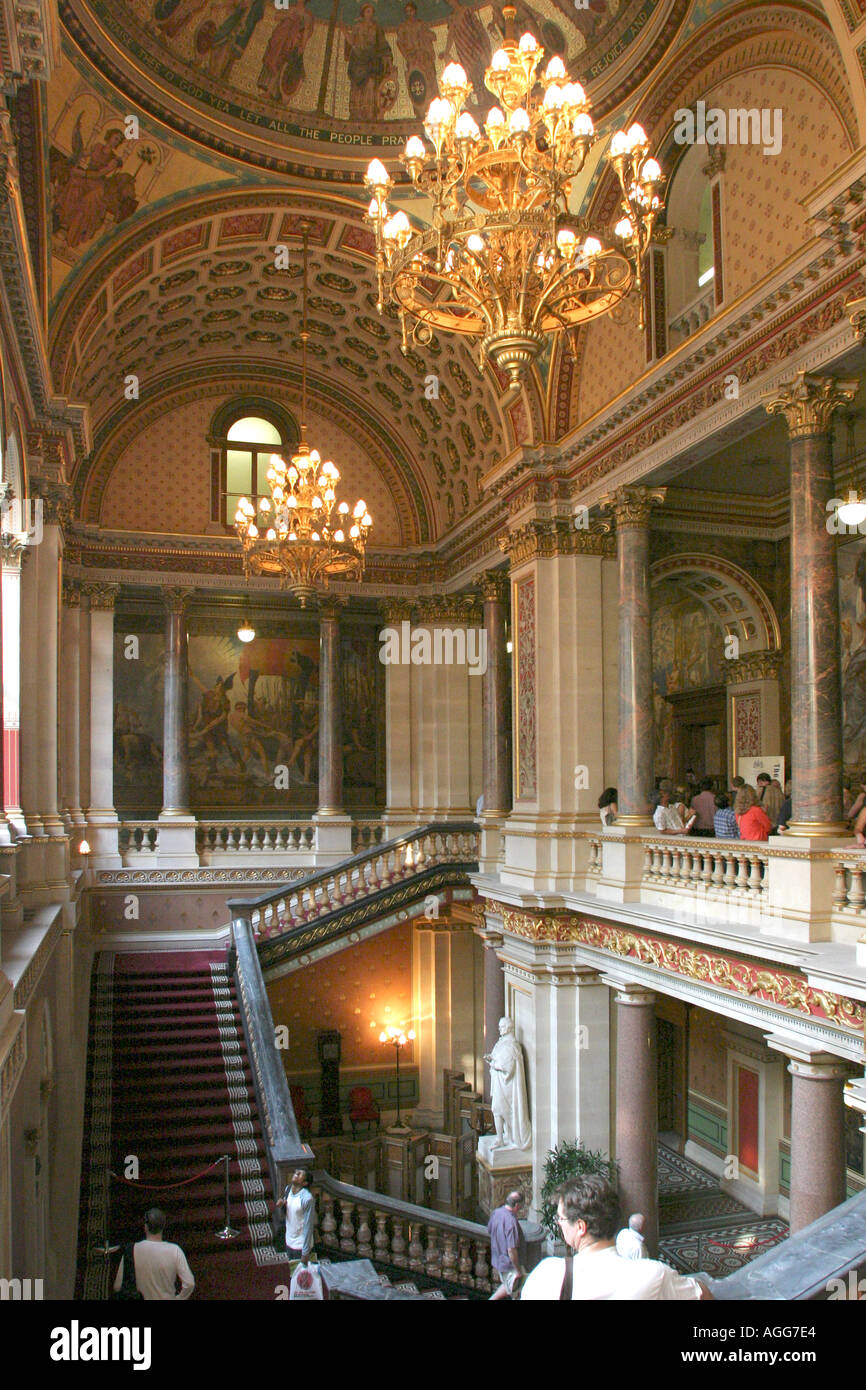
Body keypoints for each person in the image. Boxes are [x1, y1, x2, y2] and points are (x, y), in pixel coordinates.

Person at [521, 1175, 711, 1301]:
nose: (559, 1223)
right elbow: (703, 1294)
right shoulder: (654, 1275)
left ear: (580, 1227)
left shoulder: (548, 1275)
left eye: (560, 1218)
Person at [113, 1208, 195, 1301]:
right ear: (163, 1226)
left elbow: (118, 1286)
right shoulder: (175, 1250)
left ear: (145, 1227)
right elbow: (189, 1283)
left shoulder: (131, 1250)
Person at [484, 1017, 531, 1150]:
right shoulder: (501, 1043)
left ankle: (508, 1135)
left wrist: (493, 1063)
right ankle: (500, 1138)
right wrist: (491, 1059)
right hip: (499, 1083)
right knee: (496, 1109)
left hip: (507, 1086)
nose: (499, 1029)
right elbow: (497, 1059)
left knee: (502, 1110)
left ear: (509, 1028)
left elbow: (508, 1068)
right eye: (499, 1027)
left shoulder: (512, 1046)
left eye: (502, 1027)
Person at [487, 1190, 526, 1299]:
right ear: (517, 1205)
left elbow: (490, 1230)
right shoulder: (511, 1222)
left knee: (508, 1287)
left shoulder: (496, 1213)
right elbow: (511, 1250)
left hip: (498, 1260)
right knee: (517, 1292)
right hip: (510, 1265)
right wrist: (518, 1270)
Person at [276, 1168, 315, 1264]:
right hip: (289, 1240)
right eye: (296, 1172)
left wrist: (305, 1252)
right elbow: (288, 1214)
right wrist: (282, 1206)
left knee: (306, 1275)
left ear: (305, 1183)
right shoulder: (288, 1189)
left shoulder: (307, 1199)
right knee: (294, 1273)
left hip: (302, 1244)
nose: (296, 1173)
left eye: (300, 1174)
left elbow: (308, 1225)